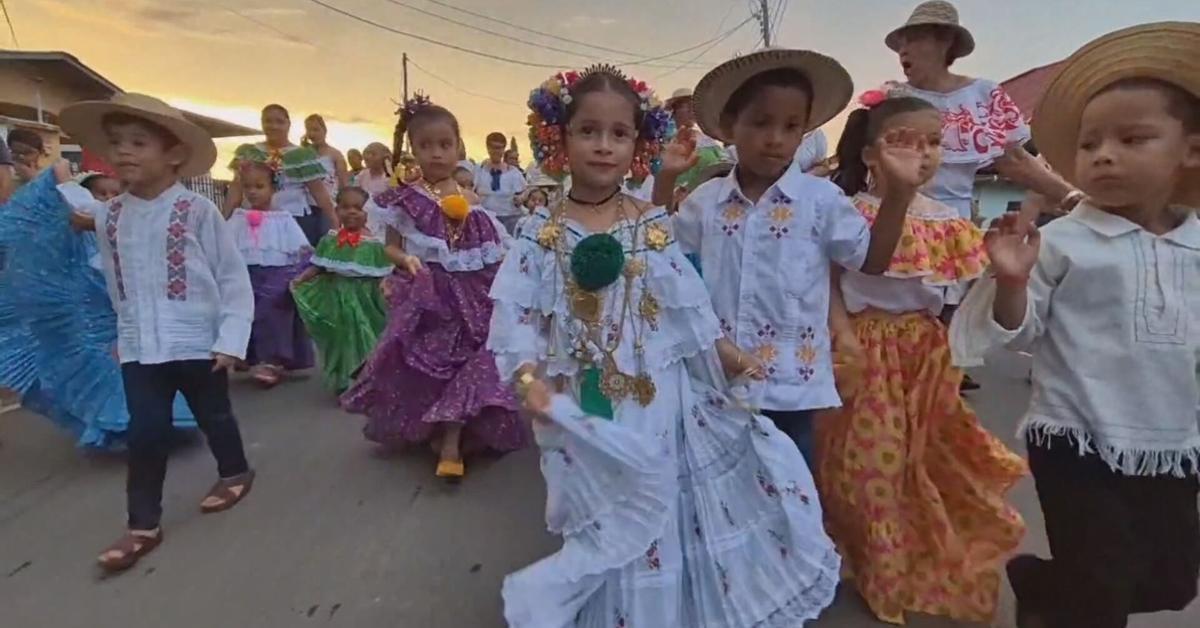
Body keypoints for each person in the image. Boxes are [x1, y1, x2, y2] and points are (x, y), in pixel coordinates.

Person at [496, 63, 841, 627]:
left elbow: (688, 304)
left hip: (659, 394)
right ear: (559, 137)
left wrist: (727, 354)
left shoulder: (650, 224)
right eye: (589, 131)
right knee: (603, 512)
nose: (604, 146)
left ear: (639, 143)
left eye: (619, 133)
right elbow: (518, 315)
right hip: (584, 398)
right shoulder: (540, 230)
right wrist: (529, 376)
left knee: (662, 512)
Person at [950, 22, 1200, 628]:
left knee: (1171, 584)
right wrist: (1011, 282)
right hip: (1076, 439)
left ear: (1190, 149)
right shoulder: (1064, 241)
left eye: (1133, 138)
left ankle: (1041, 584)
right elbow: (1019, 332)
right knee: (1102, 592)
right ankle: (1068, 596)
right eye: (1090, 145)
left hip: (1171, 445)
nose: (1104, 154)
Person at [816, 92, 1027, 624]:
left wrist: (1002, 286)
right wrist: (841, 341)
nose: (924, 153)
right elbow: (828, 287)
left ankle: (913, 562)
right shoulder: (847, 214)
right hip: (865, 353)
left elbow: (969, 308)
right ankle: (873, 568)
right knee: (866, 471)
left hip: (927, 358)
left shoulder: (950, 224)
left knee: (927, 469)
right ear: (869, 155)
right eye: (905, 141)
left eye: (934, 141)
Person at [660, 49, 922, 466]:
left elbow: (869, 260)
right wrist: (666, 179)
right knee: (721, 497)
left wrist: (899, 194)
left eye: (791, 126)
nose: (776, 138)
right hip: (717, 381)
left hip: (791, 389)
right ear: (730, 127)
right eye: (761, 122)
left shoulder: (821, 201)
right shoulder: (705, 202)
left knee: (792, 498)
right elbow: (662, 252)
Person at [59, 93, 256, 572]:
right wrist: (122, 333)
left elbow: (232, 277)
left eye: (138, 142)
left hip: (198, 341)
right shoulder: (110, 215)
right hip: (140, 347)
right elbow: (110, 271)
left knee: (214, 413)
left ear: (173, 155)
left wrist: (231, 339)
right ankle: (142, 525)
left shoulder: (197, 211)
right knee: (146, 432)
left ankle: (234, 471)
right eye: (116, 143)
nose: (124, 151)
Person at [884, 0, 1082, 390]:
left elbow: (1018, 158)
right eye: (901, 43)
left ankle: (943, 386)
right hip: (896, 219)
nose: (903, 51)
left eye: (915, 39)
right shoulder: (893, 99)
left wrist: (1061, 198)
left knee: (949, 311)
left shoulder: (983, 95)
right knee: (897, 316)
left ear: (944, 43)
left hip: (953, 225)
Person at [340, 94, 526, 480]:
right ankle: (441, 433)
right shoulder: (404, 199)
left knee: (474, 362)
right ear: (413, 150)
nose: (437, 154)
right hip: (430, 294)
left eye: (445, 144)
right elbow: (391, 244)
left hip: (474, 298)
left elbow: (490, 252)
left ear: (459, 146)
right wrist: (405, 260)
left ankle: (453, 442)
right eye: (426, 146)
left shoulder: (473, 200)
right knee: (431, 365)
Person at [225, 155, 314, 387]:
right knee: (245, 311)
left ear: (273, 188)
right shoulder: (238, 218)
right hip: (246, 273)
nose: (253, 192)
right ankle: (248, 355)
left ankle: (270, 361)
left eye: (259, 186)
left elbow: (301, 249)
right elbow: (224, 246)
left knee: (271, 311)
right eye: (247, 187)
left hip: (278, 273)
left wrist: (301, 275)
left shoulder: (283, 219)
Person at [291, 187, 390, 393]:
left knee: (366, 336)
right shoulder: (330, 239)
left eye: (358, 207)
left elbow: (384, 272)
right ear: (337, 211)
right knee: (341, 339)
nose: (351, 212)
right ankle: (344, 381)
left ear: (368, 212)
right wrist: (301, 279)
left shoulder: (374, 244)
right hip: (336, 298)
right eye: (345, 207)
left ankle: (368, 379)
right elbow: (318, 265)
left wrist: (386, 288)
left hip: (365, 301)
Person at [224, 105, 336, 246]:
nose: (274, 126)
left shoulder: (301, 155)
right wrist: (225, 219)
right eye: (268, 121)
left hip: (293, 220)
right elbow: (236, 188)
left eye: (279, 122)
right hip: (253, 219)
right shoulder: (248, 152)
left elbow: (318, 192)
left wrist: (333, 221)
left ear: (288, 124)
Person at [475, 131, 526, 233]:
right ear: (487, 148)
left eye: (499, 148)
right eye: (493, 147)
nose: (496, 151)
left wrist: (521, 198)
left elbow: (525, 192)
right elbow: (470, 190)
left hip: (510, 217)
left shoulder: (513, 173)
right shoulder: (479, 171)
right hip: (487, 218)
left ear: (503, 149)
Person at [303, 113, 350, 191]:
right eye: (309, 130)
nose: (312, 134)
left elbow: (343, 183)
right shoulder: (302, 154)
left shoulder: (336, 154)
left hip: (329, 200)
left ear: (324, 130)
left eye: (316, 130)